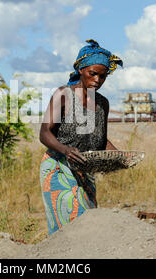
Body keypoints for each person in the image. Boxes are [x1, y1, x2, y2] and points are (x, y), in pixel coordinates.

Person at [39, 39, 123, 235]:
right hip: (59, 168)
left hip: (85, 169)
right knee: (71, 226)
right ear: (81, 70)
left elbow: (100, 140)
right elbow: (44, 133)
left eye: (103, 76)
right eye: (93, 74)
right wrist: (66, 150)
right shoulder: (64, 94)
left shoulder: (102, 103)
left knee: (89, 225)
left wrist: (119, 156)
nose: (97, 80)